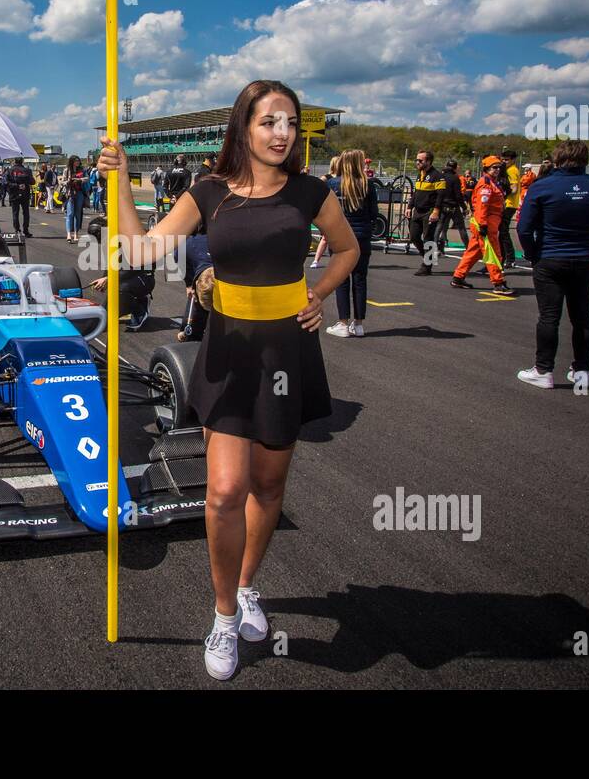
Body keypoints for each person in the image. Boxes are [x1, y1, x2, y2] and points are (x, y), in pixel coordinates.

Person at [96, 79, 357, 682]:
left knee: (268, 487)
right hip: (227, 354)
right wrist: (120, 178)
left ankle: (246, 589)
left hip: (287, 355)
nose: (282, 133)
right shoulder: (208, 191)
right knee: (222, 492)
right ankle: (221, 617)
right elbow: (139, 250)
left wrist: (319, 295)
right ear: (243, 127)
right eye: (269, 122)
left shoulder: (312, 191)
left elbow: (347, 251)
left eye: (290, 122)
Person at [514, 140, 589, 392]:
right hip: (584, 257)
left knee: (549, 316)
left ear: (556, 159)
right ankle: (581, 371)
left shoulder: (542, 187)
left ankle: (543, 370)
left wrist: (532, 253)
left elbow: (524, 227)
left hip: (550, 256)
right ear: (585, 160)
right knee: (582, 317)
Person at [325, 149, 377, 337]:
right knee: (360, 279)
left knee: (341, 280)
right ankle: (359, 324)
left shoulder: (333, 184)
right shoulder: (368, 185)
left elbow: (328, 213)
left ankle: (343, 323)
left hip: (340, 236)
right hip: (362, 236)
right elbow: (374, 214)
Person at [451, 156, 513, 295]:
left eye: (498, 167)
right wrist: (483, 225)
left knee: (473, 252)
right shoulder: (486, 184)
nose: (497, 170)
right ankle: (498, 282)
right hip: (485, 223)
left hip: (487, 222)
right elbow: (482, 206)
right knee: (494, 254)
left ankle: (458, 277)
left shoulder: (492, 182)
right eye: (494, 168)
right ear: (486, 169)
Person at [407, 150, 446, 275]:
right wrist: (409, 207)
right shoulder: (420, 174)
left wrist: (436, 212)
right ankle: (428, 258)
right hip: (418, 211)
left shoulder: (437, 176)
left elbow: (440, 197)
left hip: (429, 211)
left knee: (428, 238)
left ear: (428, 161)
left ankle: (426, 266)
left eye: (420, 160)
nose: (417, 162)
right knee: (413, 236)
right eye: (416, 160)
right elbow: (416, 193)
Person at [498, 148, 523, 267]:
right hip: (506, 203)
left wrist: (502, 193)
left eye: (507, 160)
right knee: (502, 232)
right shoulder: (506, 169)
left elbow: (514, 189)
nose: (504, 161)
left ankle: (509, 258)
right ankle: (507, 257)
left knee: (503, 232)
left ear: (513, 160)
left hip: (509, 204)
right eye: (502, 159)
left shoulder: (512, 170)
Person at [439, 159, 468, 249]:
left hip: (443, 205)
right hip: (453, 206)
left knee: (441, 227)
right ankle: (468, 247)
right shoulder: (456, 178)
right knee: (461, 227)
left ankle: (439, 246)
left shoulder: (441, 176)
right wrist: (464, 207)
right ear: (455, 168)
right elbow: (458, 195)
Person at [4, 157, 35, 237]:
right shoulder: (27, 170)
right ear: (22, 161)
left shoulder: (10, 170)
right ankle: (26, 230)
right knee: (26, 213)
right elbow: (32, 182)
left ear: (14, 161)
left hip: (14, 194)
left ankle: (17, 230)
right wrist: (23, 183)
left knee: (15, 213)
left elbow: (6, 183)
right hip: (25, 194)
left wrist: (16, 185)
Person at [61, 154, 87, 243]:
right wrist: (68, 181)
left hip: (79, 193)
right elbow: (62, 182)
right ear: (72, 161)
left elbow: (87, 178)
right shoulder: (67, 170)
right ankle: (68, 234)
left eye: (78, 161)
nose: (78, 162)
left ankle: (76, 234)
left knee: (77, 214)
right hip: (70, 193)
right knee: (70, 213)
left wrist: (79, 179)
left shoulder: (82, 170)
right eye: (76, 161)